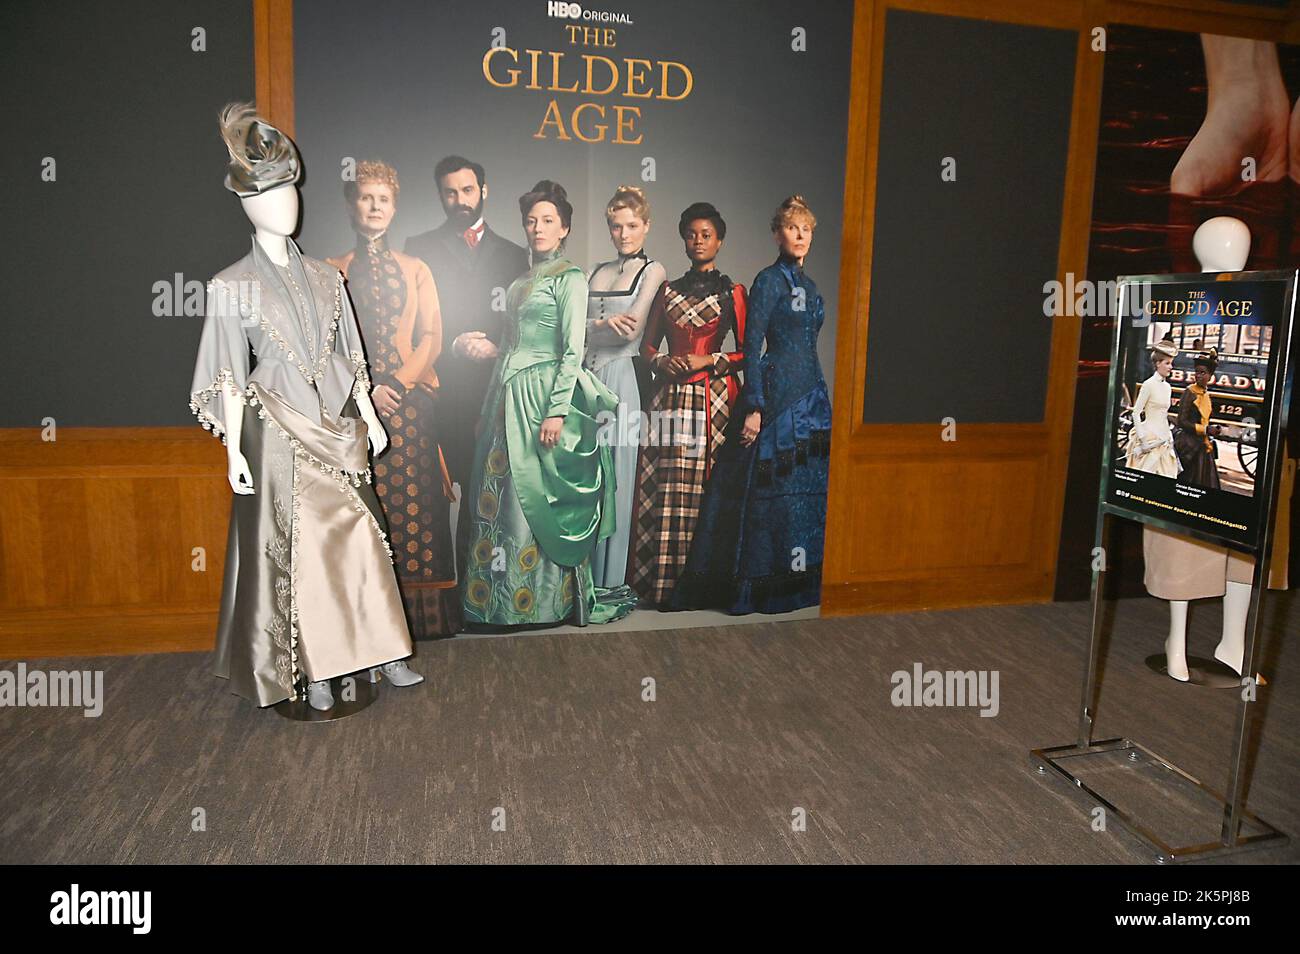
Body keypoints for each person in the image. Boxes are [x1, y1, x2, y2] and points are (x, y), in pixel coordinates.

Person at [191, 104, 421, 712]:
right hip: (276, 432)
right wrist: (234, 449)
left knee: (364, 541)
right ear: (246, 203)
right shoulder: (229, 284)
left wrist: (370, 420)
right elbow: (228, 376)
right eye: (269, 193)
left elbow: (354, 358)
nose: (285, 203)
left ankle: (385, 652)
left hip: (338, 429)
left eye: (290, 189)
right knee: (302, 557)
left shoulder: (327, 276)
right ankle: (311, 673)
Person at [460, 180, 638, 627]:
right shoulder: (519, 282)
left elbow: (572, 350)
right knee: (500, 500)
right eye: (531, 221)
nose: (537, 228)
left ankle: (541, 603)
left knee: (535, 497)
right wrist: (486, 411)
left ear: (564, 229)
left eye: (547, 221)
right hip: (506, 395)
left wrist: (557, 410)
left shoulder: (571, 278)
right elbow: (505, 346)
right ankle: (494, 601)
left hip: (542, 396)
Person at [672, 195, 831, 614]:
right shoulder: (767, 281)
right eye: (792, 228)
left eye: (806, 229)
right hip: (776, 395)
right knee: (767, 492)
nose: (799, 236)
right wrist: (755, 405)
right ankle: (758, 588)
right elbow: (752, 344)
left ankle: (797, 585)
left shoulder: (811, 287)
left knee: (803, 496)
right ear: (777, 234)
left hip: (811, 396)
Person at [327, 160, 462, 639]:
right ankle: (368, 621)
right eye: (366, 197)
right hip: (356, 408)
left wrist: (397, 385)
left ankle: (422, 622)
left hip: (410, 406)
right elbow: (328, 343)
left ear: (395, 207)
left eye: (383, 199)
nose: (375, 206)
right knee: (367, 505)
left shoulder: (416, 268)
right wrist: (364, 389)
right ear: (350, 204)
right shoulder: (330, 270)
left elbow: (432, 336)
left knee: (419, 506)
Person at [404, 156, 529, 578]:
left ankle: (489, 589)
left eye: (468, 190)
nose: (460, 200)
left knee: (494, 491)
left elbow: (525, 319)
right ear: (440, 195)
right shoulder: (417, 248)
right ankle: (441, 591)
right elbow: (411, 319)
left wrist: (497, 346)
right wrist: (455, 341)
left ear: (484, 190)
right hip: (441, 386)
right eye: (450, 192)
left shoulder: (515, 254)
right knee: (436, 490)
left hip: (496, 388)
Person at [625, 202, 747, 608]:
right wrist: (662, 361)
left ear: (720, 240)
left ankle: (700, 584)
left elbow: (748, 354)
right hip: (668, 399)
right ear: (683, 239)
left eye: (706, 234)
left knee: (702, 490)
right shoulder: (667, 290)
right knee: (664, 488)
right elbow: (645, 346)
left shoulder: (733, 293)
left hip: (713, 403)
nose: (698, 241)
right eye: (692, 234)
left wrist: (708, 360)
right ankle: (659, 584)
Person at [585, 185, 667, 587]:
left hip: (622, 378)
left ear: (646, 226)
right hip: (585, 381)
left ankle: (610, 581)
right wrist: (598, 327)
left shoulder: (653, 270)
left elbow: (628, 331)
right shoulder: (594, 271)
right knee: (585, 475)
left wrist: (590, 331)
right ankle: (581, 581)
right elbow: (572, 334)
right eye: (616, 226)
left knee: (617, 476)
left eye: (632, 225)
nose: (624, 234)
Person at [1124, 336, 1181, 477]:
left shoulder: (1168, 387)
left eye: (1171, 363)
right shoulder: (1148, 385)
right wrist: (1143, 439)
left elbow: (1164, 413)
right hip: (1149, 438)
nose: (1171, 367)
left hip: (1164, 438)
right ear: (1157, 364)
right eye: (1167, 363)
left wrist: (1168, 435)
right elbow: (1136, 413)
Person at [1173, 348, 1223, 489]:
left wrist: (1213, 428)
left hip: (1203, 445)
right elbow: (1181, 421)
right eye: (1197, 372)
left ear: (1210, 376)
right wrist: (1205, 429)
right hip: (1189, 445)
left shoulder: (1206, 394)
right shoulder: (1189, 392)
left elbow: (1204, 419)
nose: (1199, 376)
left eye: (1203, 373)